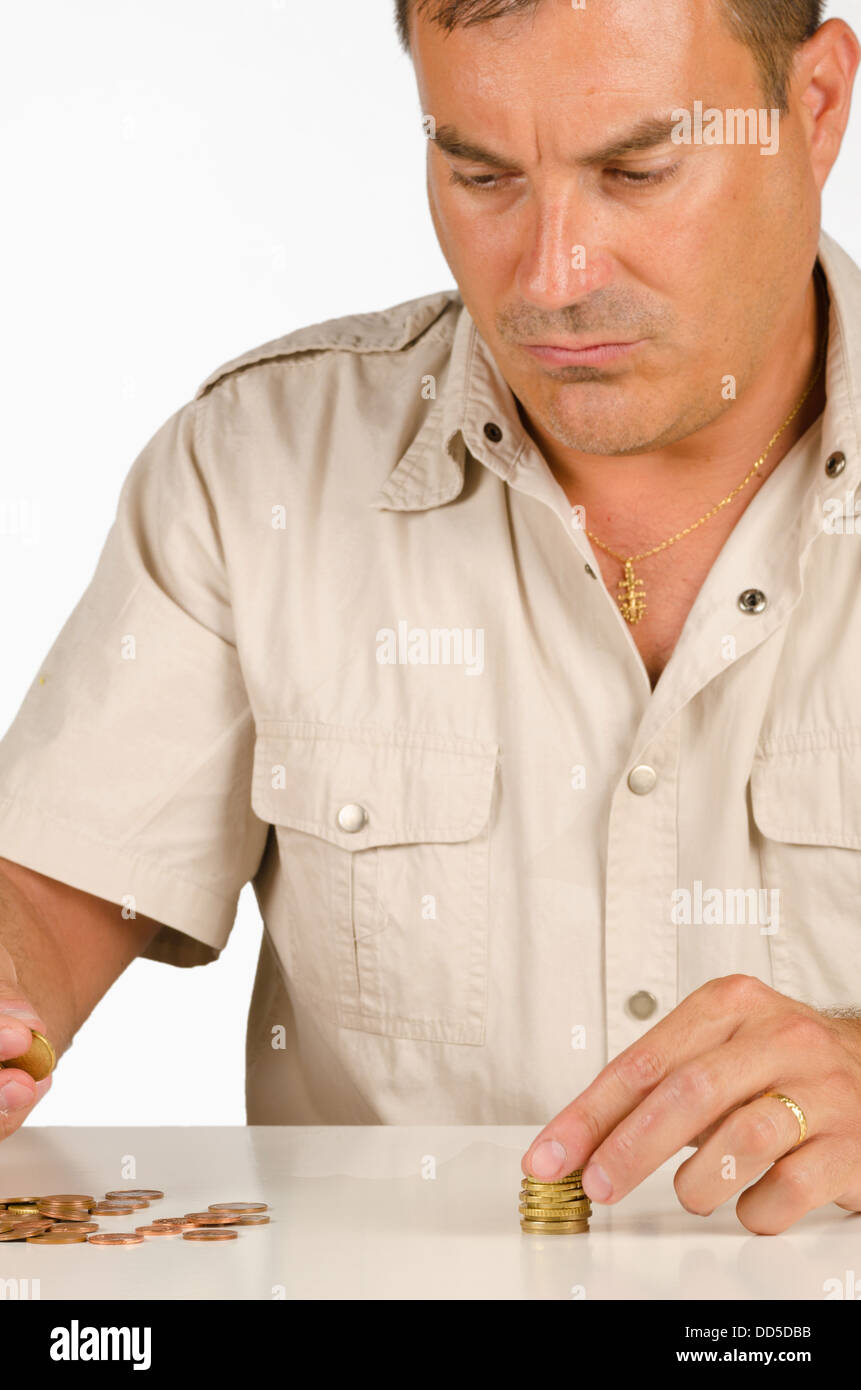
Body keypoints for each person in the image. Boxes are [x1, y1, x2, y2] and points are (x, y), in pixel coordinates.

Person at [0, 0, 860, 1235]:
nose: (554, 274)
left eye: (637, 169)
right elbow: (46, 899)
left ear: (816, 104)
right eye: (482, 172)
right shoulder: (259, 472)